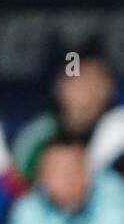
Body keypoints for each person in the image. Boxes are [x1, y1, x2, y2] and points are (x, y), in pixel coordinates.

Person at [12, 44, 117, 181]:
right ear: (61, 86)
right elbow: (17, 187)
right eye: (81, 81)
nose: (90, 91)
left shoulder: (118, 130)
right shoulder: (38, 136)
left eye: (98, 82)